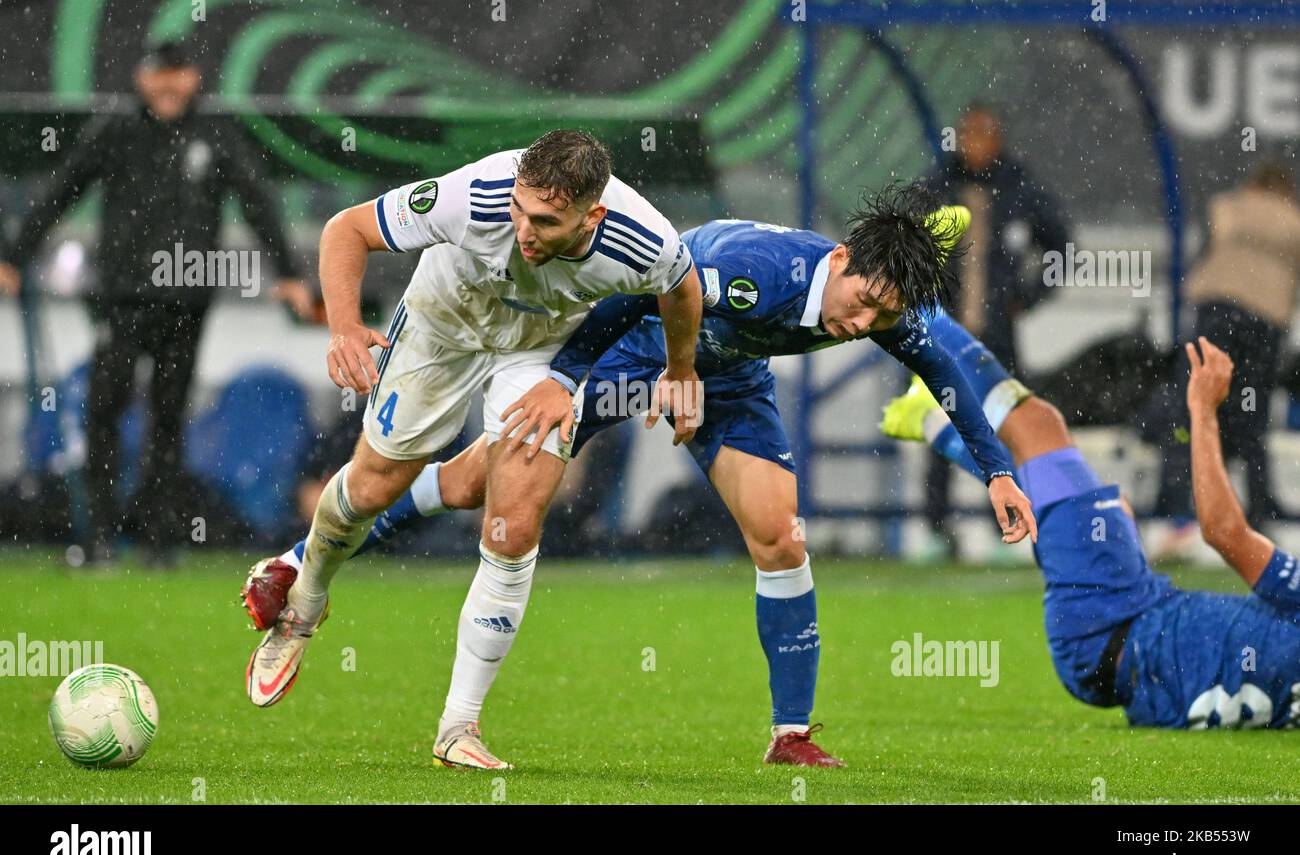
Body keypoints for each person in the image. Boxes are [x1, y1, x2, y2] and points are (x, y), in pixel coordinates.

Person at [243, 185, 1039, 768]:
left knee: (782, 536)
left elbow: (946, 375)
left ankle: (789, 735)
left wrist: (997, 473)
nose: (861, 326)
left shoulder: (885, 301)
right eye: (861, 303)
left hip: (728, 380)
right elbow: (642, 301)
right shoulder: (754, 273)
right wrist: (572, 377)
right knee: (475, 485)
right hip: (635, 348)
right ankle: (295, 560)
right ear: (838, 260)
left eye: (880, 319)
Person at [244, 132, 706, 777]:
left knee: (514, 528)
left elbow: (682, 289)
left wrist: (681, 369)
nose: (524, 229)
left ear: (592, 216)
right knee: (374, 488)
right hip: (444, 322)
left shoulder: (643, 238)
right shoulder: (477, 195)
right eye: (520, 210)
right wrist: (345, 327)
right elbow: (345, 230)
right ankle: (307, 599)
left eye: (545, 221)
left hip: (539, 353)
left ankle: (458, 727)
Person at [883, 323, 1300, 729]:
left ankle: (911, 302)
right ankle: (931, 422)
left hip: (1112, 616)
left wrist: (1203, 411)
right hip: (1124, 674)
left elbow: (1222, 531)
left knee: (1039, 425)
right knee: (1097, 506)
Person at [0, 40, 313, 566]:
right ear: (141, 78)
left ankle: (157, 541)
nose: (168, 86)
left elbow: (256, 197)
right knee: (105, 412)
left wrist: (287, 272)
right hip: (121, 302)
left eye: (178, 74)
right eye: (158, 75)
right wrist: (14, 255)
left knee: (169, 419)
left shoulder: (215, 132)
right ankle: (99, 539)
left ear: (194, 77)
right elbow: (63, 190)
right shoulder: (117, 130)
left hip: (185, 304)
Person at [924, 103, 1069, 556]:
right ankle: (935, 528)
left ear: (998, 139)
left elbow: (1060, 244)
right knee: (937, 424)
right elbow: (907, 239)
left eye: (986, 134)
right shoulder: (938, 185)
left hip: (997, 335)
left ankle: (1005, 527)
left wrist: (1028, 295)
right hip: (943, 329)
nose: (977, 144)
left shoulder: (1020, 188)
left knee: (1004, 424)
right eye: (969, 134)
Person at [1152, 160, 1300, 545]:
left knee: (1192, 408)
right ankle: (1260, 513)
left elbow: (1201, 256)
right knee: (1252, 419)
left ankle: (1179, 509)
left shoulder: (1228, 207)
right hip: (1265, 323)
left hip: (1217, 313)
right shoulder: (1293, 221)